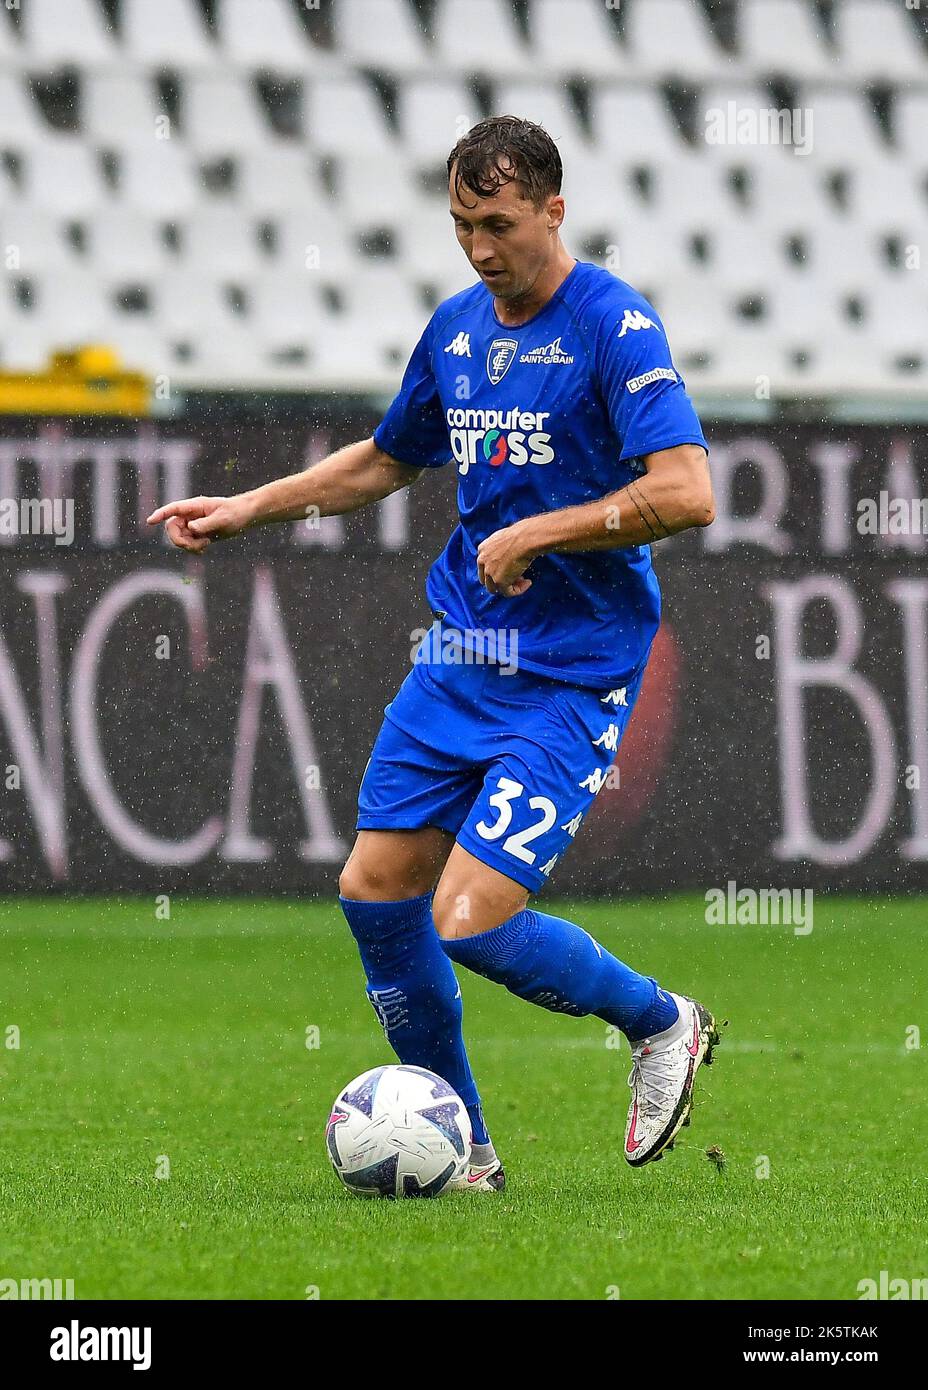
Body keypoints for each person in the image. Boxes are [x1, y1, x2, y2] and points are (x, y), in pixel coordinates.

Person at [148, 117, 721, 1191]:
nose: (477, 248)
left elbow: (688, 492)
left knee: (468, 919)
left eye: (498, 223)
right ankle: (468, 1159)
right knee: (374, 891)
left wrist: (537, 532)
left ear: (553, 209)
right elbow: (384, 460)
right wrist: (249, 508)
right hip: (459, 655)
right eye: (460, 224)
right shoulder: (457, 330)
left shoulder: (613, 325)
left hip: (568, 673)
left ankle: (660, 1023)